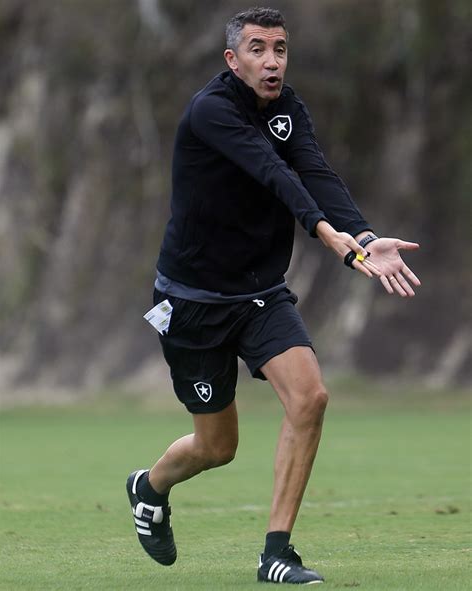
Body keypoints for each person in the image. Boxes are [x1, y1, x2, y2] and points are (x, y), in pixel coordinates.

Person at [126, 7, 421, 585]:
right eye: (257, 49)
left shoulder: (288, 108)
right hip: (192, 301)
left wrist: (360, 235)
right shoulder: (211, 110)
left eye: (280, 48)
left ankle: (276, 554)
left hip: (260, 294)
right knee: (217, 447)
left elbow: (312, 170)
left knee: (310, 399)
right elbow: (272, 173)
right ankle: (149, 486)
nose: (272, 60)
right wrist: (326, 235)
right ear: (233, 60)